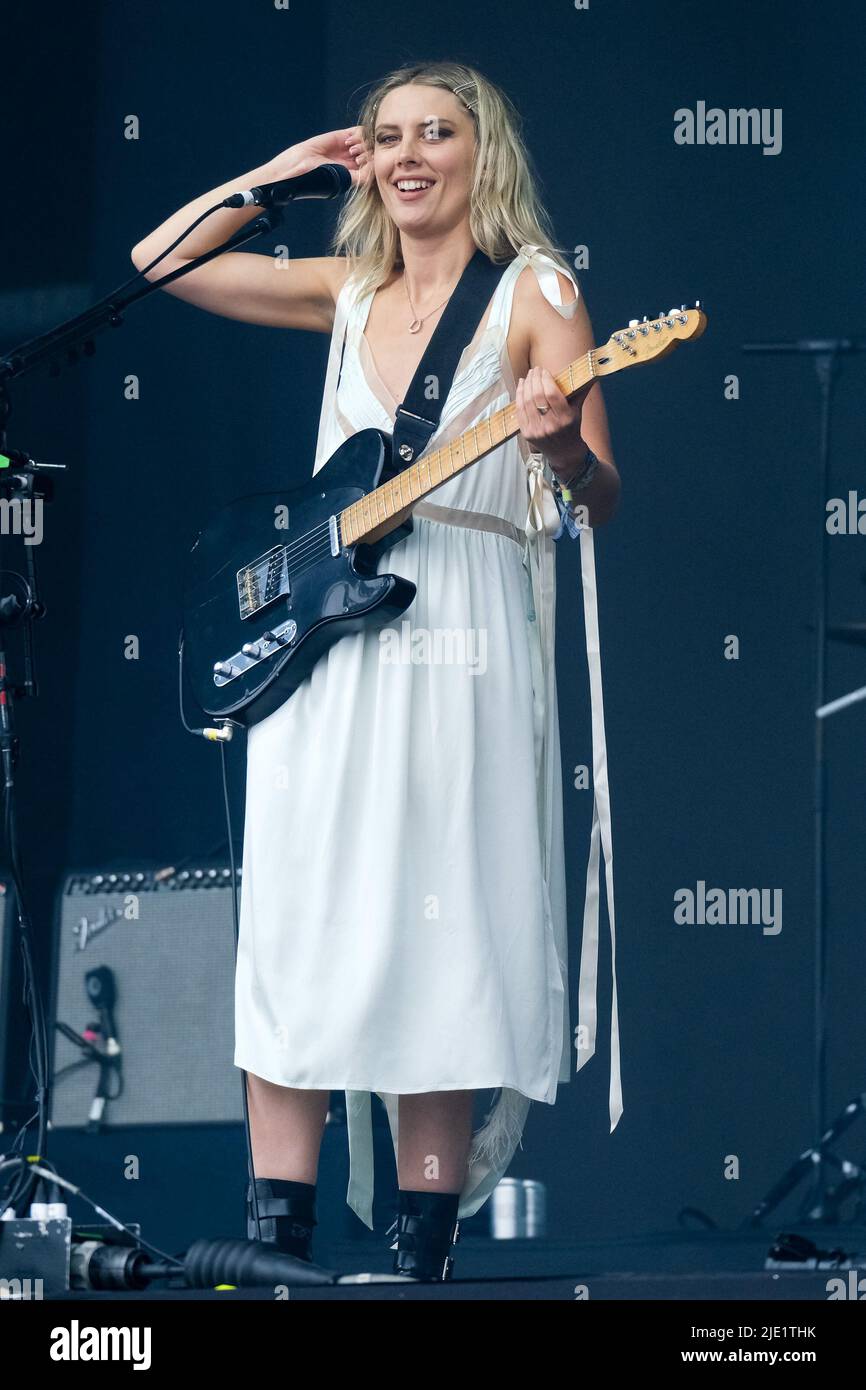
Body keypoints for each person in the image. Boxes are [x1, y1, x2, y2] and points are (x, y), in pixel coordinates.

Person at [131, 60, 622, 1283]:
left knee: (440, 925)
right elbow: (161, 262)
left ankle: (416, 1253)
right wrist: (277, 176)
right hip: (327, 635)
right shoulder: (348, 287)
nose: (407, 154)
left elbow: (598, 495)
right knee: (299, 919)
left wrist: (558, 444)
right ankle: (276, 1247)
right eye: (385, 135)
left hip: (458, 624)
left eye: (434, 133)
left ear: (480, 152)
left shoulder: (535, 289)